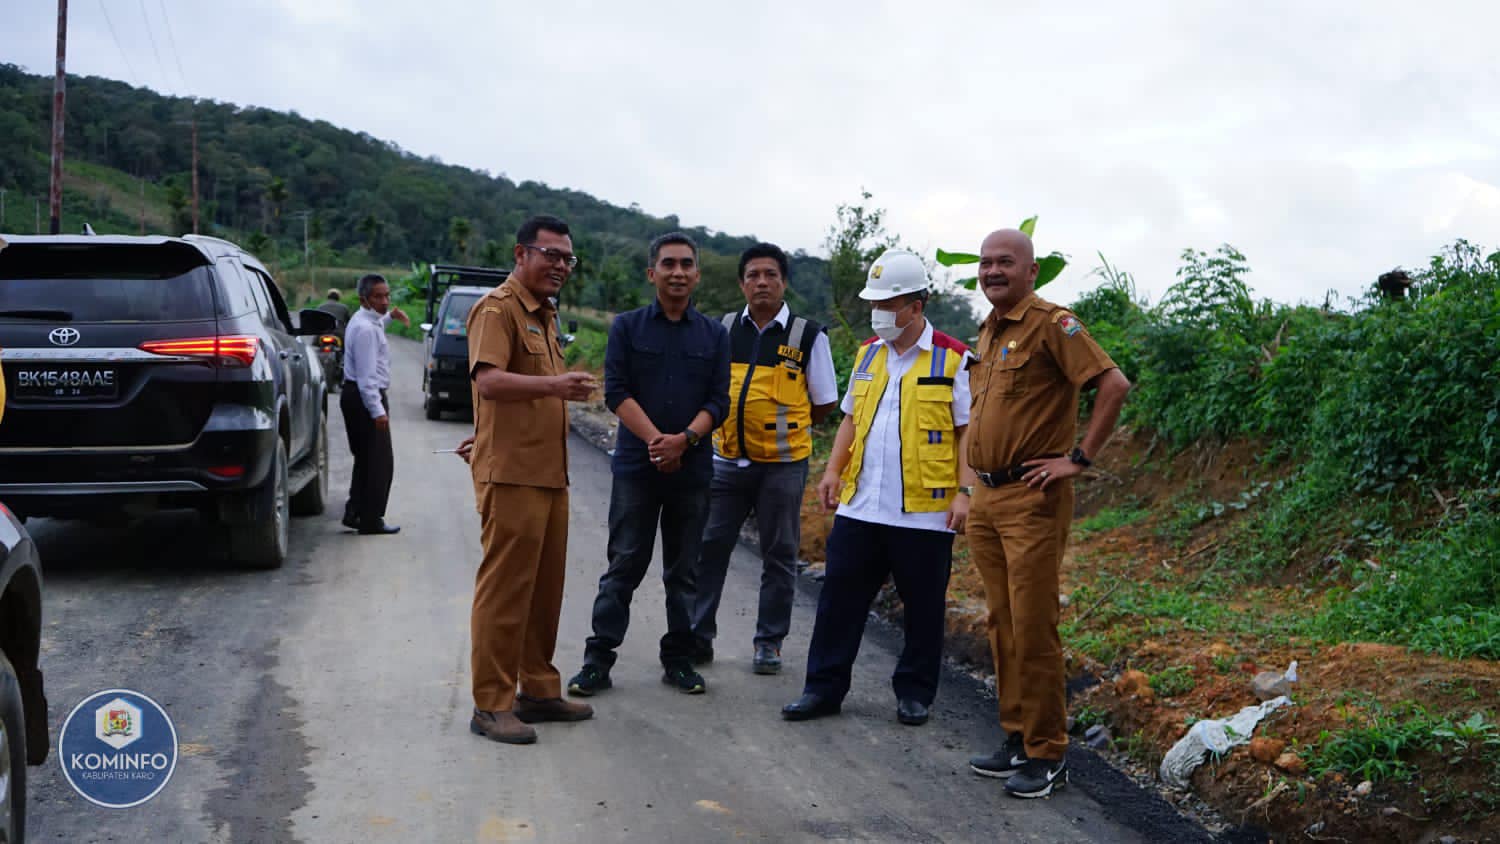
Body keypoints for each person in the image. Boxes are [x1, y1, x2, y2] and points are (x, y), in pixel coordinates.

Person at [963, 228, 1130, 799]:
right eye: (985, 263)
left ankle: (1048, 752)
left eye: (1004, 262)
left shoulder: (1054, 323)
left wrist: (1078, 459)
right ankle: (1017, 736)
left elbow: (1113, 384)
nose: (992, 271)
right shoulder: (987, 331)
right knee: (1000, 622)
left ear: (1032, 270)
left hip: (1031, 499)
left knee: (1033, 625)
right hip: (986, 498)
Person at [782, 249, 976, 728]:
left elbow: (969, 431)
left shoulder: (955, 359)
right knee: (838, 604)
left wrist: (964, 493)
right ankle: (822, 689)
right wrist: (832, 471)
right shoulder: (869, 353)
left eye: (889, 304)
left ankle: (915, 693)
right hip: (862, 506)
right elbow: (850, 418)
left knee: (924, 609)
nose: (879, 314)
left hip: (925, 514)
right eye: (875, 304)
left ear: (917, 305)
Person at [566, 232, 730, 698]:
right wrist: (658, 441)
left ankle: (679, 659)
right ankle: (598, 660)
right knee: (624, 564)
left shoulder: (714, 335)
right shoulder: (628, 327)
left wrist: (686, 440)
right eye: (668, 264)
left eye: (685, 264)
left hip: (692, 471)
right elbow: (616, 390)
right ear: (651, 273)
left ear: (697, 274)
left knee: (684, 572)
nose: (677, 272)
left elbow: (719, 401)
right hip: (639, 468)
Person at [463, 214, 598, 745]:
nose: (560, 265)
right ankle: (490, 704)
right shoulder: (497, 310)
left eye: (568, 258)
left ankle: (538, 690)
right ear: (521, 254)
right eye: (551, 255)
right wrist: (555, 384)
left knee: (544, 592)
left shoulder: (544, 314)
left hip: (548, 475)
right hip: (514, 475)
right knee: (504, 592)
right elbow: (490, 382)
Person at [690, 242, 838, 675]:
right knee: (710, 547)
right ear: (742, 283)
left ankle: (768, 643)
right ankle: (698, 635)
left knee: (779, 553)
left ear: (784, 281)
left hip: (783, 467)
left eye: (770, 274)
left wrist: (783, 429)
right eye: (753, 275)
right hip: (725, 461)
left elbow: (825, 402)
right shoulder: (723, 329)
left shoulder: (808, 336)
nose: (761, 282)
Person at [340, 274, 409, 536]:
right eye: (378, 297)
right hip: (365, 397)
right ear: (364, 300)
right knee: (380, 463)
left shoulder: (364, 321)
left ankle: (355, 512)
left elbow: (378, 321)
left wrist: (391, 316)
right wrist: (378, 411)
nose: (384, 301)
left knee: (367, 460)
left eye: (386, 295)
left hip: (357, 395)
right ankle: (370, 519)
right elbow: (367, 378)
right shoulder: (366, 330)